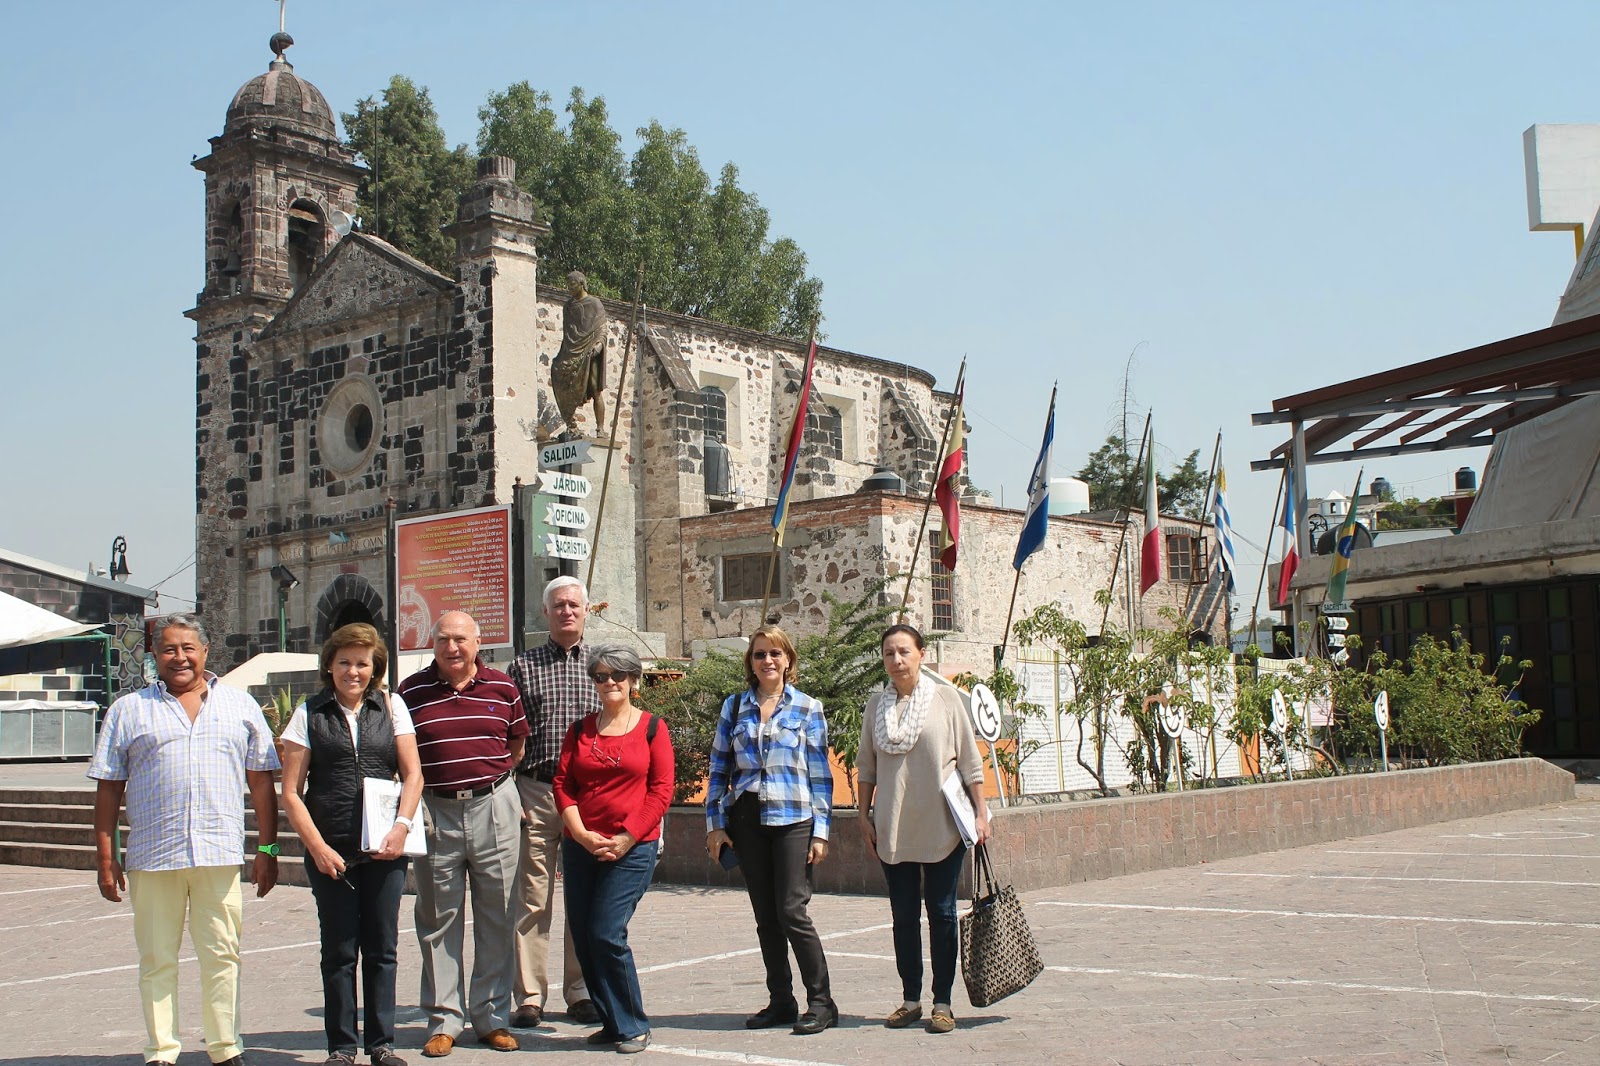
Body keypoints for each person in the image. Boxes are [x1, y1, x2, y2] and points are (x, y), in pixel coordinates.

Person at [88, 612, 281, 1066]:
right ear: (154, 655)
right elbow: (109, 787)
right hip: (153, 857)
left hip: (218, 853)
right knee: (157, 959)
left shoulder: (240, 707)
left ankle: (225, 1047)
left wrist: (268, 850)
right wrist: (105, 856)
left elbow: (261, 785)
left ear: (205, 652)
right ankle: (161, 1051)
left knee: (222, 955)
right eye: (169, 649)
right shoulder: (128, 710)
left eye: (188, 648)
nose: (179, 658)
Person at [279, 623, 423, 1066]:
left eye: (362, 663)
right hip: (333, 848)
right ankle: (341, 1047)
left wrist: (401, 826)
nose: (353, 671)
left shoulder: (392, 706)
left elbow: (413, 774)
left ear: (374, 666)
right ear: (330, 665)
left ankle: (382, 1044)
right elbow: (290, 791)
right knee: (339, 951)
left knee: (382, 948)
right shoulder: (309, 712)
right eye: (345, 662)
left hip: (385, 847)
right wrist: (318, 848)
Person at [398, 611, 530, 1057]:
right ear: (432, 643)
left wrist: (491, 785)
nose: (452, 648)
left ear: (478, 642)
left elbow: (515, 746)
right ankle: (444, 1020)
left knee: (499, 914)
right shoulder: (410, 692)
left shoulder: (503, 687)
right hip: (434, 809)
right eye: (443, 639)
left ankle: (492, 1017)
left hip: (493, 804)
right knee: (438, 919)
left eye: (460, 639)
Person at [857, 623, 991, 1035]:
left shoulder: (946, 699)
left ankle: (943, 1002)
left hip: (941, 824)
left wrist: (982, 813)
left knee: (943, 913)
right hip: (893, 826)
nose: (896, 660)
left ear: (921, 654)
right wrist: (864, 816)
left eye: (904, 652)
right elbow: (867, 767)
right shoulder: (876, 706)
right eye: (888, 654)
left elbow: (970, 762)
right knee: (902, 916)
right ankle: (911, 998)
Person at [703, 624, 837, 1034]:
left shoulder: (807, 708)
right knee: (765, 916)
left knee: (792, 910)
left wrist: (821, 831)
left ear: (788, 660)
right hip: (747, 820)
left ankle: (821, 1002)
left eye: (775, 654)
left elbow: (820, 775)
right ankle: (781, 1001)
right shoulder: (734, 707)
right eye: (760, 654)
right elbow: (719, 768)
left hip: (794, 819)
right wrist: (715, 825)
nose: (768, 661)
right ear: (751, 662)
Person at [553, 644, 674, 1054]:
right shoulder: (579, 730)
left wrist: (626, 838)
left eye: (618, 675)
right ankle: (611, 1021)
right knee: (584, 937)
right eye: (601, 676)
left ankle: (633, 1024)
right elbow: (563, 786)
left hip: (633, 847)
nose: (609, 683)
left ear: (634, 680)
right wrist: (582, 834)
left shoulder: (653, 728)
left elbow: (660, 792)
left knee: (606, 931)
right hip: (581, 845)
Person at [506, 576, 597, 1029]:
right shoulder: (524, 666)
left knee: (582, 896)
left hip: (589, 797)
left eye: (574, 605)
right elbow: (509, 735)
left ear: (586, 611)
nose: (567, 611)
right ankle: (529, 995)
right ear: (546, 612)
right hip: (537, 791)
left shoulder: (604, 665)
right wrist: (509, 789)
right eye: (559, 605)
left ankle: (580, 990)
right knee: (532, 897)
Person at [550, 270, 608, 438]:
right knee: (557, 373)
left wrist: (598, 344)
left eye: (572, 284)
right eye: (568, 285)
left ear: (581, 283)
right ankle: (571, 424)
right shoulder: (567, 307)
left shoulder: (594, 303)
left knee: (596, 390)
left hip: (590, 351)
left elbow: (601, 328)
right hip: (571, 352)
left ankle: (600, 428)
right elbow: (568, 334)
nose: (569, 288)